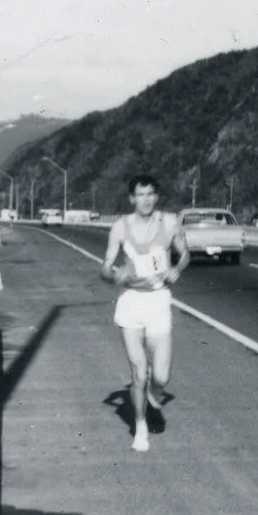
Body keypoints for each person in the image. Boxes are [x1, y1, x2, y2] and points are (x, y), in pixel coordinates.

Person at [101, 175, 189, 452]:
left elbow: (185, 253)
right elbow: (105, 267)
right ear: (132, 199)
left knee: (161, 377)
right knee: (139, 373)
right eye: (140, 195)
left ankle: (155, 395)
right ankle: (140, 427)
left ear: (156, 196)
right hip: (131, 303)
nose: (146, 199)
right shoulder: (120, 227)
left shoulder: (171, 222)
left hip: (159, 301)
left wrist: (178, 267)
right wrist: (114, 274)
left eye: (151, 193)